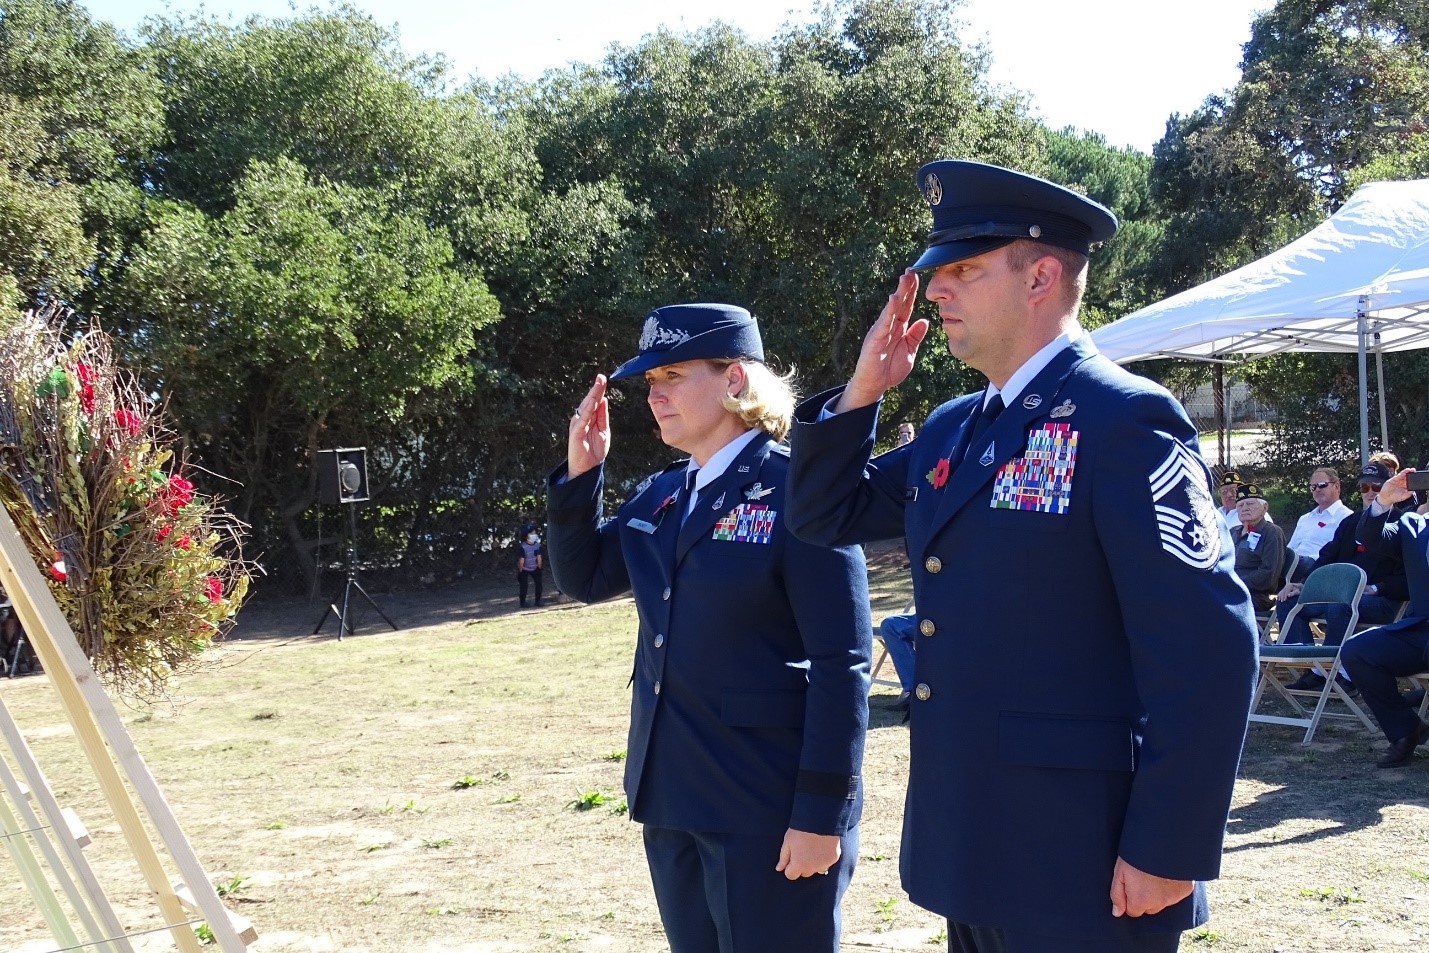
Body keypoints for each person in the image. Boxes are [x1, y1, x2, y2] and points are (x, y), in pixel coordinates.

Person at [784, 159, 1258, 953]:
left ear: (1040, 276)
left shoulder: (1124, 419)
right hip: (972, 841)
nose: (935, 290)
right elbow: (821, 513)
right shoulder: (953, 426)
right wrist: (860, 392)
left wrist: (1168, 845)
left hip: (1084, 858)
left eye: (962, 269)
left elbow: (1209, 645)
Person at [547, 303, 873, 951]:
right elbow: (585, 577)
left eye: (671, 373)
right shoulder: (664, 495)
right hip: (672, 794)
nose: (655, 393)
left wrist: (821, 814)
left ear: (734, 380)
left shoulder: (797, 490)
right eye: (648, 381)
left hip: (766, 805)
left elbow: (843, 662)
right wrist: (582, 475)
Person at [1275, 459, 1409, 692]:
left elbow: (1406, 579)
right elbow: (1327, 557)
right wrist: (1304, 585)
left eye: (1376, 487)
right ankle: (1312, 666)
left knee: (1341, 605)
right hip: (1342, 598)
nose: (1370, 493)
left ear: (1388, 487)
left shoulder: (1403, 523)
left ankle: (1344, 674)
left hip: (1383, 600)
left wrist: (1376, 588)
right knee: (1289, 600)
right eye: (1364, 488)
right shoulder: (1351, 522)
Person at [1339, 467, 1429, 768]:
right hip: (1421, 631)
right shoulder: (1414, 524)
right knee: (1357, 650)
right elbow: (1370, 537)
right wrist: (1383, 502)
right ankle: (1405, 730)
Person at [1284, 466, 1353, 579]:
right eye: (1313, 487)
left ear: (1337, 486)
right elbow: (1290, 548)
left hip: (1319, 569)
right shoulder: (1305, 518)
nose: (1317, 489)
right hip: (1293, 565)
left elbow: (1340, 555)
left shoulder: (1347, 517)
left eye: (1322, 485)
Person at [1229, 483, 1286, 613]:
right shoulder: (1232, 532)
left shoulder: (1271, 532)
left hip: (1254, 595)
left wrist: (1235, 583)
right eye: (1240, 505)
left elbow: (1268, 574)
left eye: (1250, 504)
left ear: (1264, 507)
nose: (1245, 508)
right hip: (1227, 589)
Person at [876, 612, 918, 710]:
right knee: (890, 626)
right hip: (926, 615)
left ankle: (919, 691)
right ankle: (915, 690)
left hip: (953, 618)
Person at [516, 524, 545, 608]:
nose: (534, 535)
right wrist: (520, 570)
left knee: (539, 584)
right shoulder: (523, 547)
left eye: (534, 533)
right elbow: (521, 560)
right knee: (524, 585)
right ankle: (522, 602)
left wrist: (539, 567)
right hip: (524, 568)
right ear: (526, 536)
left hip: (535, 567)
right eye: (532, 533)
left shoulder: (537, 546)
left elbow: (539, 557)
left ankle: (538, 600)